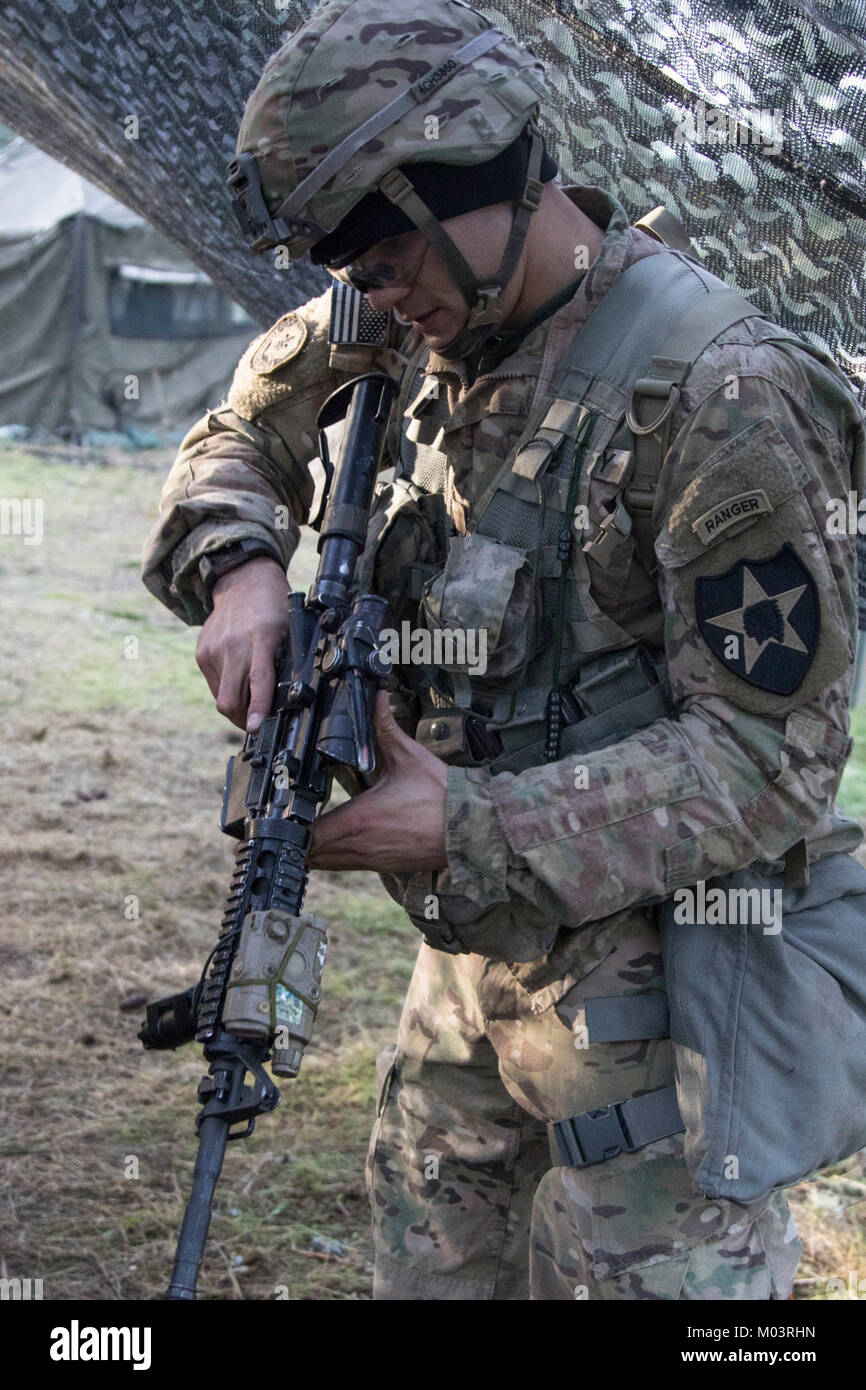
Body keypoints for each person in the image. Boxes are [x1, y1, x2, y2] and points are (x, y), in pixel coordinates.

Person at [141, 0, 866, 1299]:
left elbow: (773, 761)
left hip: (671, 1009)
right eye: (347, 270)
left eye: (381, 259)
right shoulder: (409, 305)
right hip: (473, 966)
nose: (370, 296)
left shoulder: (723, 393)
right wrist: (240, 566)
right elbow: (242, 424)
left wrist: (460, 820)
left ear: (489, 183)